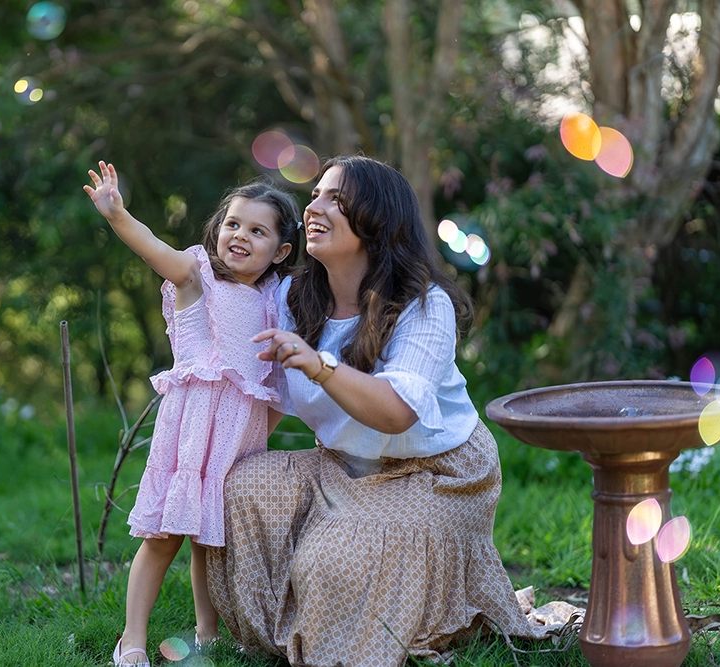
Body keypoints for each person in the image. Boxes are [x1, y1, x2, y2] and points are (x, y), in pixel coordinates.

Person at [205, 155, 547, 666]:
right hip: (342, 466)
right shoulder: (294, 297)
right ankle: (287, 635)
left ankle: (395, 617)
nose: (313, 208)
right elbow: (260, 387)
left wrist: (320, 365)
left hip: (437, 473)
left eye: (336, 200)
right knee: (242, 488)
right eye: (316, 196)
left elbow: (397, 413)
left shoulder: (423, 305)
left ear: (377, 219)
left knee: (332, 561)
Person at [83, 161, 301, 667]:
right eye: (233, 223)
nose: (240, 235)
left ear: (281, 251)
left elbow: (269, 391)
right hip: (189, 434)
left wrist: (257, 439)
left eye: (257, 231)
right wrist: (117, 216)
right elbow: (153, 248)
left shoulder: (275, 302)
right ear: (217, 228)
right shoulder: (195, 275)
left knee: (210, 541)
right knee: (164, 538)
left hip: (237, 442)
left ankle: (208, 635)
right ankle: (132, 640)